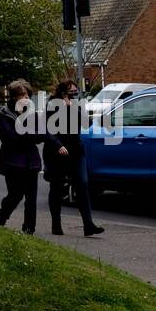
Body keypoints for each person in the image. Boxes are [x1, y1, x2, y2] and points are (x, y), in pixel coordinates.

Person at [42, 79, 104, 237]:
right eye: (72, 92)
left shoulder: (75, 106)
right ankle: (56, 224)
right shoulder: (52, 106)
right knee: (57, 187)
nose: (75, 95)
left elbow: (87, 123)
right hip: (57, 152)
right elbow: (47, 131)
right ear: (63, 93)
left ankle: (88, 225)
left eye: (76, 93)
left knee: (82, 184)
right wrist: (58, 145)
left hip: (76, 151)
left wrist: (74, 108)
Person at [0, 79, 43, 234]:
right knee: (15, 195)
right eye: (22, 95)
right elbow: (12, 138)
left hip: (31, 162)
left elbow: (40, 135)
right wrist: (29, 134)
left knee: (31, 199)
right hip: (13, 163)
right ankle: (1, 216)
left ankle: (29, 229)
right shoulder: (4, 116)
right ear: (14, 97)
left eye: (27, 95)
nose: (26, 98)